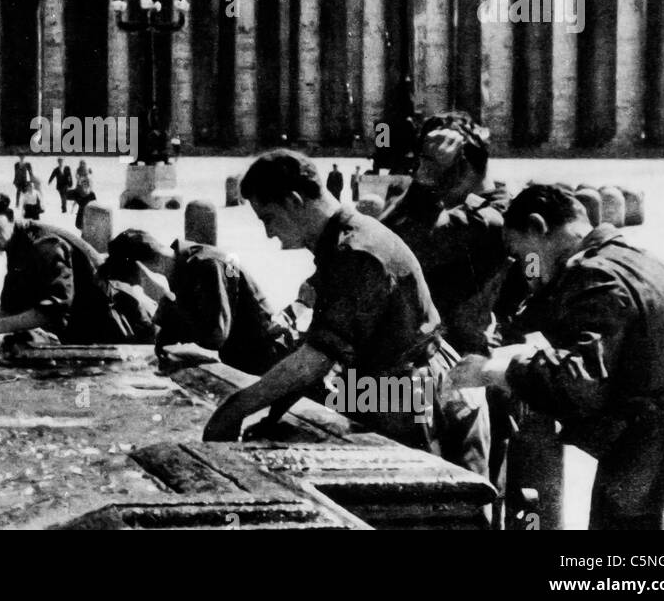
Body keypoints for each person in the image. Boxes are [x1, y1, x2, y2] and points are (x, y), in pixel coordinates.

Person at [450, 184, 664, 529]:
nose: (528, 269)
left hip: (658, 472)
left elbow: (580, 382)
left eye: (525, 255)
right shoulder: (631, 257)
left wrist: (501, 370)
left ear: (539, 227)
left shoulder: (595, 273)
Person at [202, 150, 459, 455]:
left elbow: (316, 359)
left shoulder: (355, 253)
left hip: (411, 394)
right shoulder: (342, 241)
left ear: (294, 202)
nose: (269, 233)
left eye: (268, 218)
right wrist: (272, 414)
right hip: (391, 388)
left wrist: (236, 407)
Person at [379, 111, 511, 481]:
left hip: (459, 379)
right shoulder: (482, 210)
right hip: (447, 376)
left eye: (436, 168)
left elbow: (380, 247)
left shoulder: (487, 219)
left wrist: (421, 183)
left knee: (462, 493)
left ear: (463, 166)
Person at [0, 191, 141, 349]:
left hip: (109, 334)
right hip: (78, 333)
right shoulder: (16, 244)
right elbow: (9, 309)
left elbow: (54, 309)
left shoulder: (44, 244)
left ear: (10, 216)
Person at [104, 229, 302, 375]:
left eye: (133, 281)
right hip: (243, 359)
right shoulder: (182, 266)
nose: (136, 287)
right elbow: (167, 337)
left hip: (267, 360)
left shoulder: (208, 265)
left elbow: (215, 335)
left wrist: (165, 300)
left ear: (142, 268)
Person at [72, 160, 96, 231]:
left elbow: (88, 181)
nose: (82, 165)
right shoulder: (80, 170)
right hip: (82, 190)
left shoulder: (85, 173)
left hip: (84, 192)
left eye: (83, 164)